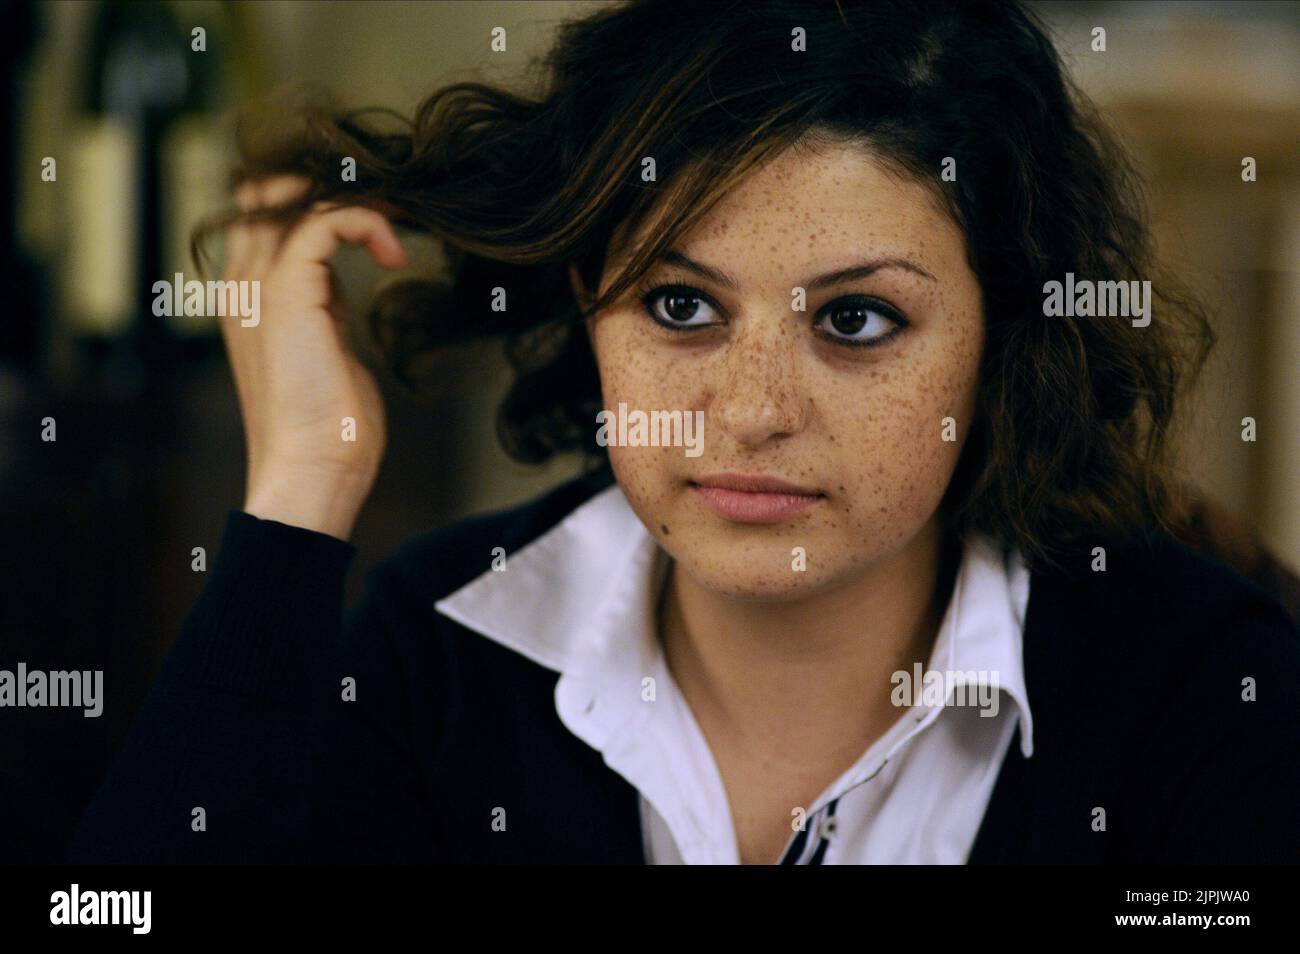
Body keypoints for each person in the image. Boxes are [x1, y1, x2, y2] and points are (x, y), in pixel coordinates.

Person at [67, 0, 1300, 865]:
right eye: (679, 306)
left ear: (1003, 342)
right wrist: (301, 476)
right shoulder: (431, 652)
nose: (754, 410)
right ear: (588, 305)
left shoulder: (1200, 695)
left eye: (858, 319)